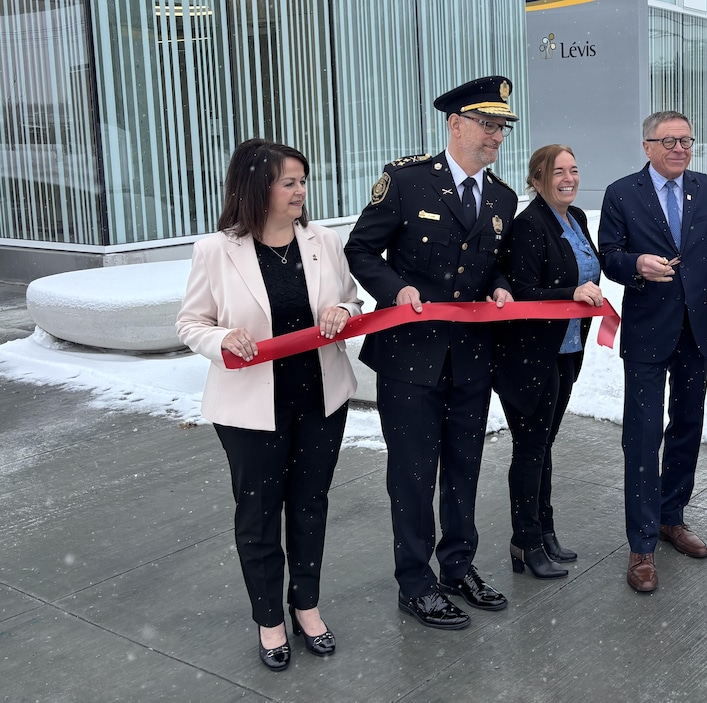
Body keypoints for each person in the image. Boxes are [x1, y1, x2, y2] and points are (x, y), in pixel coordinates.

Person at [176, 138, 361, 671]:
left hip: (321, 399)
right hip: (249, 409)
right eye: (289, 182)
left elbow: (350, 299)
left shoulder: (323, 241)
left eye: (303, 181)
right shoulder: (216, 250)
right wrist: (222, 338)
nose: (301, 191)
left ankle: (305, 606)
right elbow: (191, 323)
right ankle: (269, 618)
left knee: (310, 505)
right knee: (258, 515)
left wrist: (339, 311)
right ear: (258, 186)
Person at [343, 76, 518, 629]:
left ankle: (457, 566)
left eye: (503, 128)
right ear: (456, 124)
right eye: (488, 125)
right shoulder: (406, 181)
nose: (496, 137)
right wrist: (395, 289)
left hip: (470, 357)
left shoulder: (502, 197)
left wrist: (502, 286)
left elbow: (498, 265)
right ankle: (415, 582)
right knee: (413, 475)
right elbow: (361, 249)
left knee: (465, 468)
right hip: (409, 359)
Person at [599, 110, 707, 593]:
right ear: (647, 146)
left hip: (697, 329)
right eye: (668, 142)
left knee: (687, 427)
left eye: (686, 140)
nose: (679, 149)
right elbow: (609, 255)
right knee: (643, 437)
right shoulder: (622, 193)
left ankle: (672, 517)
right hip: (648, 332)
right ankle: (642, 544)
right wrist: (637, 265)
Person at [493, 144, 602, 579]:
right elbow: (520, 292)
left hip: (568, 348)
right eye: (558, 172)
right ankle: (526, 541)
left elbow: (589, 271)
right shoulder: (528, 225)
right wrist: (569, 294)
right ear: (537, 180)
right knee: (531, 448)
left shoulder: (577, 219)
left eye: (574, 170)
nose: (569, 178)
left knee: (544, 445)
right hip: (531, 354)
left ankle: (546, 530)